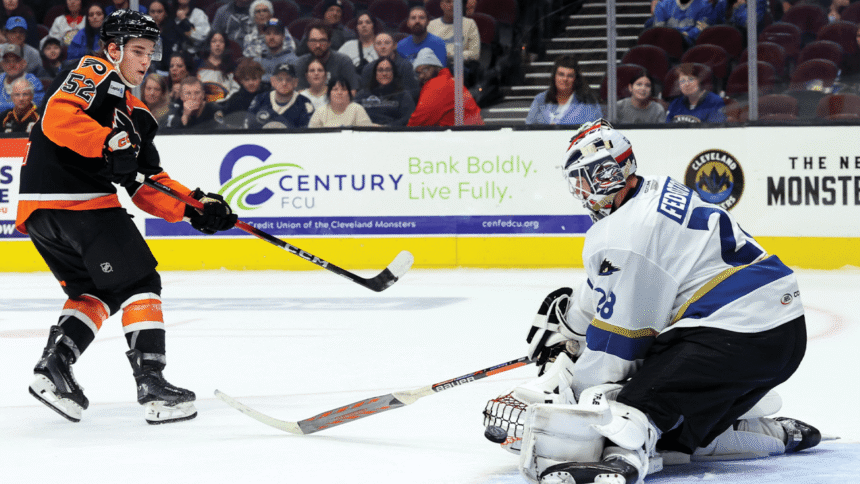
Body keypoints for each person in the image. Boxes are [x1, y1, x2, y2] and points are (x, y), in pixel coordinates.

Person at [484, 119, 820, 484]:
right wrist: (571, 326)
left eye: (584, 179)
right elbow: (617, 280)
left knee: (626, 406)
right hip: (782, 332)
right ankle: (772, 434)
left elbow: (621, 346)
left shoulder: (623, 233)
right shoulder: (655, 188)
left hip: (735, 333)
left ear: (608, 175)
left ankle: (621, 462)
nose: (581, 191)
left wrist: (572, 380)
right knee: (676, 437)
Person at [17, 9, 237, 426]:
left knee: (97, 291)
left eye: (149, 53)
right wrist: (106, 142)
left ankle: (54, 367)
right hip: (76, 200)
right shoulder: (95, 71)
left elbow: (147, 184)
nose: (144, 62)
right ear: (114, 49)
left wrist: (195, 208)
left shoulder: (138, 116)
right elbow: (59, 115)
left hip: (45, 212)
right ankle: (153, 385)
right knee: (140, 281)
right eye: (136, 51)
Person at [407, 47, 483, 126]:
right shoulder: (447, 80)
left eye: (425, 70)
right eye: (418, 73)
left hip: (465, 134)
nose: (421, 76)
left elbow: (417, 123)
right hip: (469, 132)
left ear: (437, 67)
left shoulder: (438, 85)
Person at [525, 55, 603, 125]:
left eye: (570, 76)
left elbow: (597, 132)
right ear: (554, 76)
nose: (565, 79)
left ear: (575, 79)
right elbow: (528, 129)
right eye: (561, 74)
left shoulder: (587, 102)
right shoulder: (540, 99)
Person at [294, 22, 359, 92]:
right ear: (307, 43)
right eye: (313, 41)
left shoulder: (343, 61)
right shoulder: (300, 63)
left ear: (329, 43)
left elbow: (352, 91)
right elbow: (299, 93)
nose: (318, 45)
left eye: (322, 41)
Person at [246, 62, 315, 129]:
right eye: (279, 79)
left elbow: (307, 134)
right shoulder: (260, 99)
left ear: (295, 82)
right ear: (272, 81)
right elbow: (249, 127)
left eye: (288, 79)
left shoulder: (304, 103)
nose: (284, 83)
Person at [427, 0, 481, 84]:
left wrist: (453, 56)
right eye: (448, 2)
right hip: (436, 67)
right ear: (442, 5)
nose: (452, 5)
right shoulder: (431, 25)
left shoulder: (470, 24)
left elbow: (475, 54)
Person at [355, 57, 416, 126]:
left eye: (388, 70)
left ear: (393, 73)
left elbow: (408, 118)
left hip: (392, 133)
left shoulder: (403, 95)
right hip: (365, 132)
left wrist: (387, 127)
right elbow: (353, 114)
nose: (384, 73)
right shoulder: (362, 94)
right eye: (380, 70)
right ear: (375, 73)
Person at [360, 32, 419, 101]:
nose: (383, 47)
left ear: (394, 46)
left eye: (387, 43)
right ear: (374, 47)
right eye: (379, 44)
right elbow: (364, 95)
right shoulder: (368, 68)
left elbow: (413, 93)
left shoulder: (405, 66)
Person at [308, 76, 374, 127]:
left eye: (343, 89)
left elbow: (367, 133)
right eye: (335, 89)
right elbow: (311, 136)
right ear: (329, 94)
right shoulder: (320, 111)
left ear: (349, 94)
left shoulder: (357, 109)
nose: (339, 92)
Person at [196, 30, 240, 102]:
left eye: (221, 42)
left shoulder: (232, 67)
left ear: (225, 45)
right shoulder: (197, 64)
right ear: (209, 44)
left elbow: (235, 91)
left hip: (224, 107)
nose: (218, 44)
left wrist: (222, 103)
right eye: (214, 41)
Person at [0, 44, 44, 111]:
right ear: (2, 64)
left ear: (24, 63)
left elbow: (31, 106)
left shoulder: (33, 81)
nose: (12, 65)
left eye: (16, 61)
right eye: (7, 61)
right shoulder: (1, 79)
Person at [253, 18, 298, 83]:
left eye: (276, 33)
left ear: (283, 37)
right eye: (268, 33)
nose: (271, 37)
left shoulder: (292, 60)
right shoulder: (257, 61)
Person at [146, 0, 184, 73]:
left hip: (168, 72)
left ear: (166, 13)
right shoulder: (142, 32)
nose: (155, 15)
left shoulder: (174, 33)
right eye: (152, 12)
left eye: (159, 11)